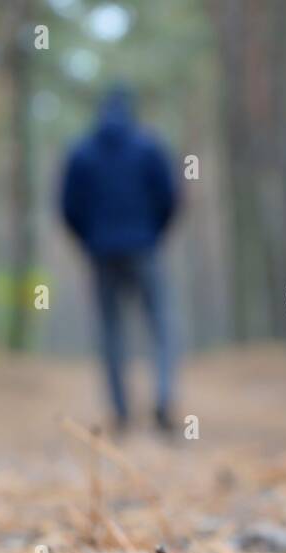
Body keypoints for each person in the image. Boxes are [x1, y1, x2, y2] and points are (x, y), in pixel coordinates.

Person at [60, 87, 180, 433]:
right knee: (161, 325)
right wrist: (154, 233)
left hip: (101, 252)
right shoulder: (149, 147)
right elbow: (169, 197)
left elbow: (68, 207)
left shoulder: (81, 152)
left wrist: (89, 239)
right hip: (144, 247)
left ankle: (121, 411)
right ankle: (163, 397)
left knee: (111, 331)